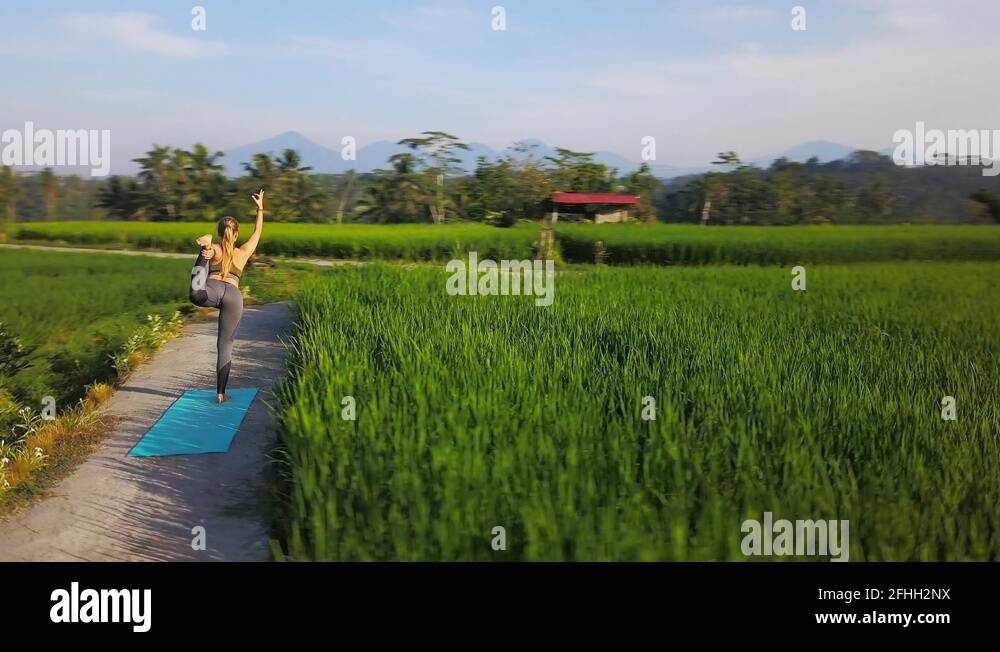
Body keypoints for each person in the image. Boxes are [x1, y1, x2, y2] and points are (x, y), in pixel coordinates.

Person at [189, 189, 265, 404]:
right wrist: (260, 208)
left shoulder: (216, 249)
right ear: (236, 234)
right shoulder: (243, 252)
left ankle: (200, 252)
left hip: (212, 288)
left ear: (220, 233)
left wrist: (206, 252)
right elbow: (258, 232)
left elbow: (213, 252)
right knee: (225, 344)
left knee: (195, 295)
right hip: (234, 296)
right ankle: (221, 393)